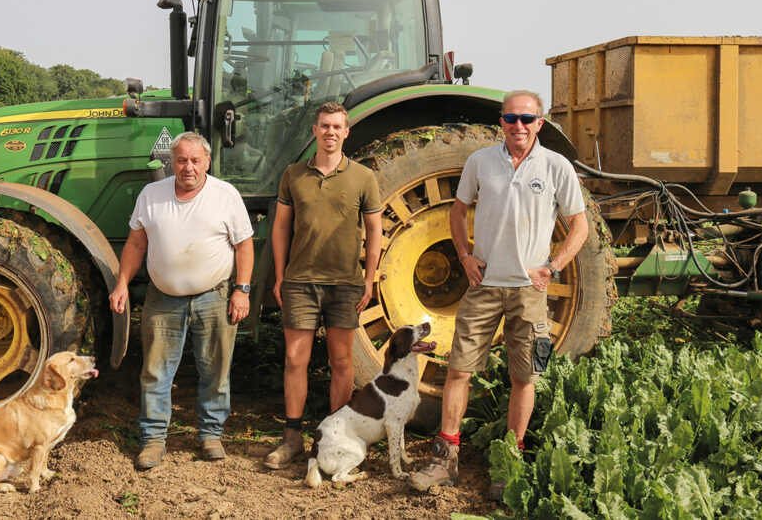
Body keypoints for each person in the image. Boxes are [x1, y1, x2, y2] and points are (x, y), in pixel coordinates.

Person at [409, 90, 589, 494]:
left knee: (523, 376)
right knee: (458, 370)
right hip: (484, 285)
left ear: (540, 123)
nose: (519, 125)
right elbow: (458, 211)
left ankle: (508, 465)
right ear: (501, 122)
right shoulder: (480, 161)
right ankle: (444, 461)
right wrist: (464, 256)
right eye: (511, 118)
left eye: (527, 118)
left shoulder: (556, 166)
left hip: (528, 290)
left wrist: (553, 267)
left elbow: (579, 225)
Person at [108, 132, 254, 470]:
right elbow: (135, 244)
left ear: (207, 162)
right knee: (155, 372)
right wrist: (121, 284)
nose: (188, 167)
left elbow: (244, 245)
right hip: (163, 299)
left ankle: (211, 435)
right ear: (172, 162)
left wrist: (241, 289)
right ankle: (153, 440)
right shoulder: (151, 194)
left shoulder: (225, 195)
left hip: (214, 297)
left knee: (215, 371)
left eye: (195, 160)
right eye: (181, 160)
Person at [263, 101, 383, 470]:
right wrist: (281, 276)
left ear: (346, 132)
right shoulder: (293, 174)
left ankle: (335, 437)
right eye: (324, 126)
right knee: (295, 359)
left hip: (345, 285)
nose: (330, 132)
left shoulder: (363, 177)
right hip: (300, 282)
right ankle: (293, 438)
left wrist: (369, 279)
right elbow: (281, 227)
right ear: (314, 130)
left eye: (337, 127)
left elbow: (375, 231)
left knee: (342, 361)